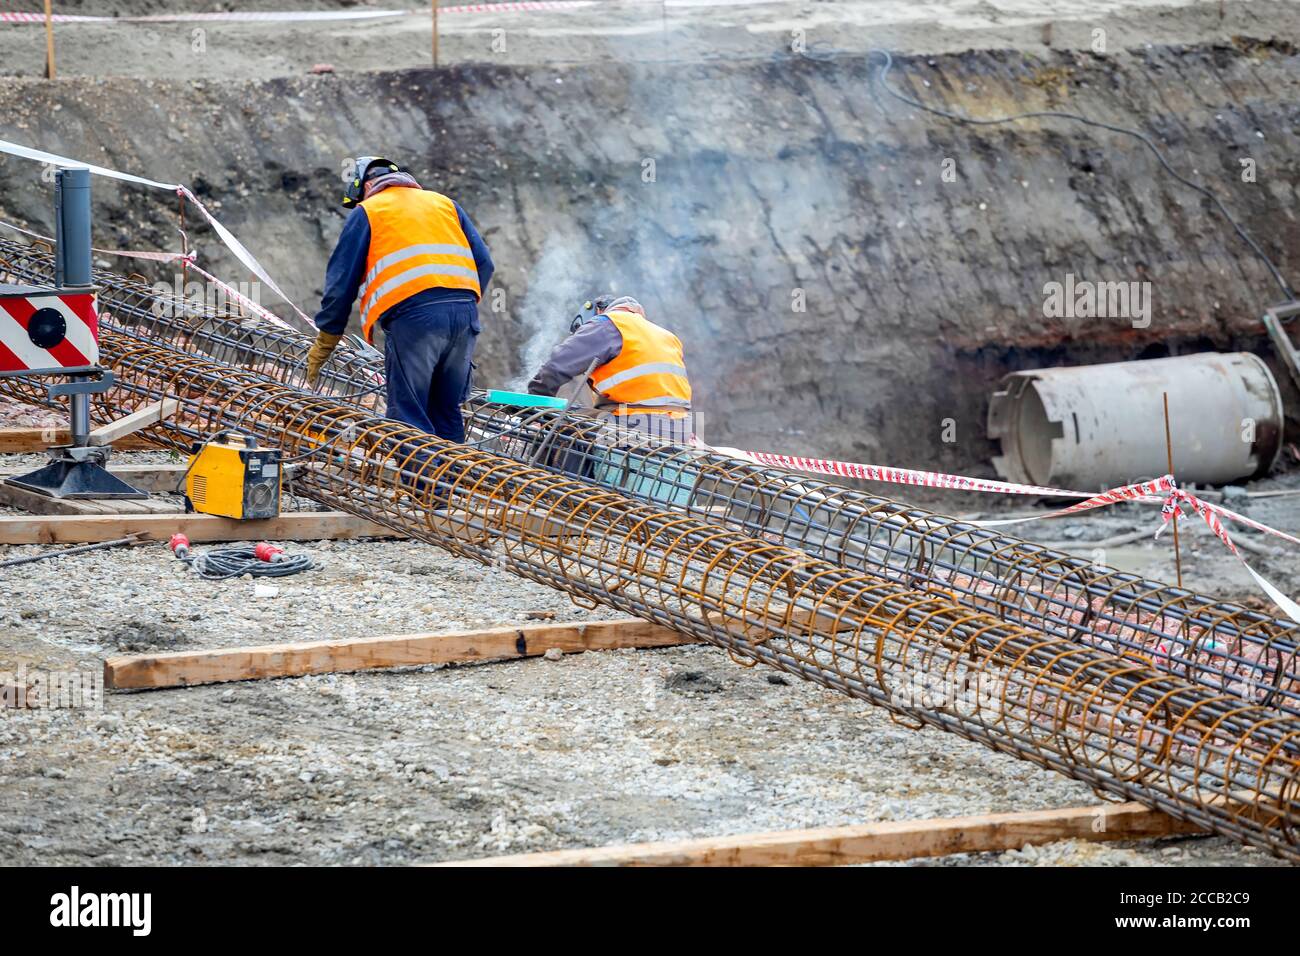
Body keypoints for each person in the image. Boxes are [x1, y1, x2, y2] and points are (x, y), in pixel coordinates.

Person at [306, 156, 493, 442]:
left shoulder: (369, 211)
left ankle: (423, 487)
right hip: (465, 316)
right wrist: (456, 304)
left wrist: (326, 340)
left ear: (367, 185)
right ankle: (455, 484)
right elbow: (485, 263)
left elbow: (341, 285)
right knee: (446, 412)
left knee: (409, 415)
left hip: (416, 321)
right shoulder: (444, 203)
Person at [527, 295, 692, 442]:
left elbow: (557, 366)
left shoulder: (607, 323)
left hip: (638, 424)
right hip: (680, 429)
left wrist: (533, 405)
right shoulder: (667, 336)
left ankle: (562, 476)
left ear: (597, 312)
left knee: (565, 426)